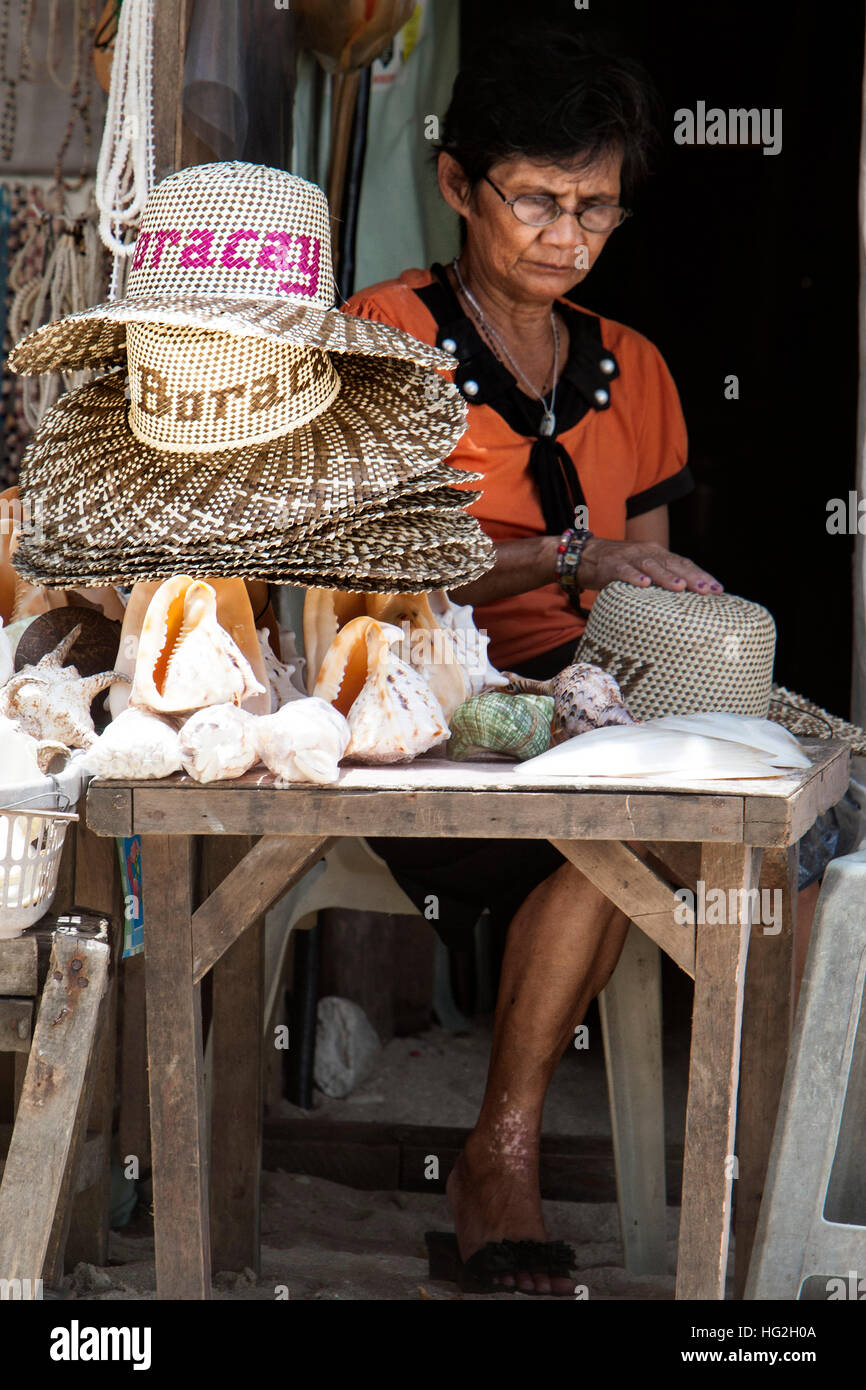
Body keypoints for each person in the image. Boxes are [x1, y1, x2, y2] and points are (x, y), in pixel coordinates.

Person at [342, 30, 722, 1296]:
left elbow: (640, 596)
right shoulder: (382, 338)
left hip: (585, 714)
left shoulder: (639, 370)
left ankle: (542, 1155)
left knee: (677, 801)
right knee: (605, 829)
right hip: (417, 713)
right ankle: (498, 1161)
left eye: (595, 208)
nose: (567, 234)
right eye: (537, 200)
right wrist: (571, 555)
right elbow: (364, 577)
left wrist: (665, 636)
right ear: (457, 187)